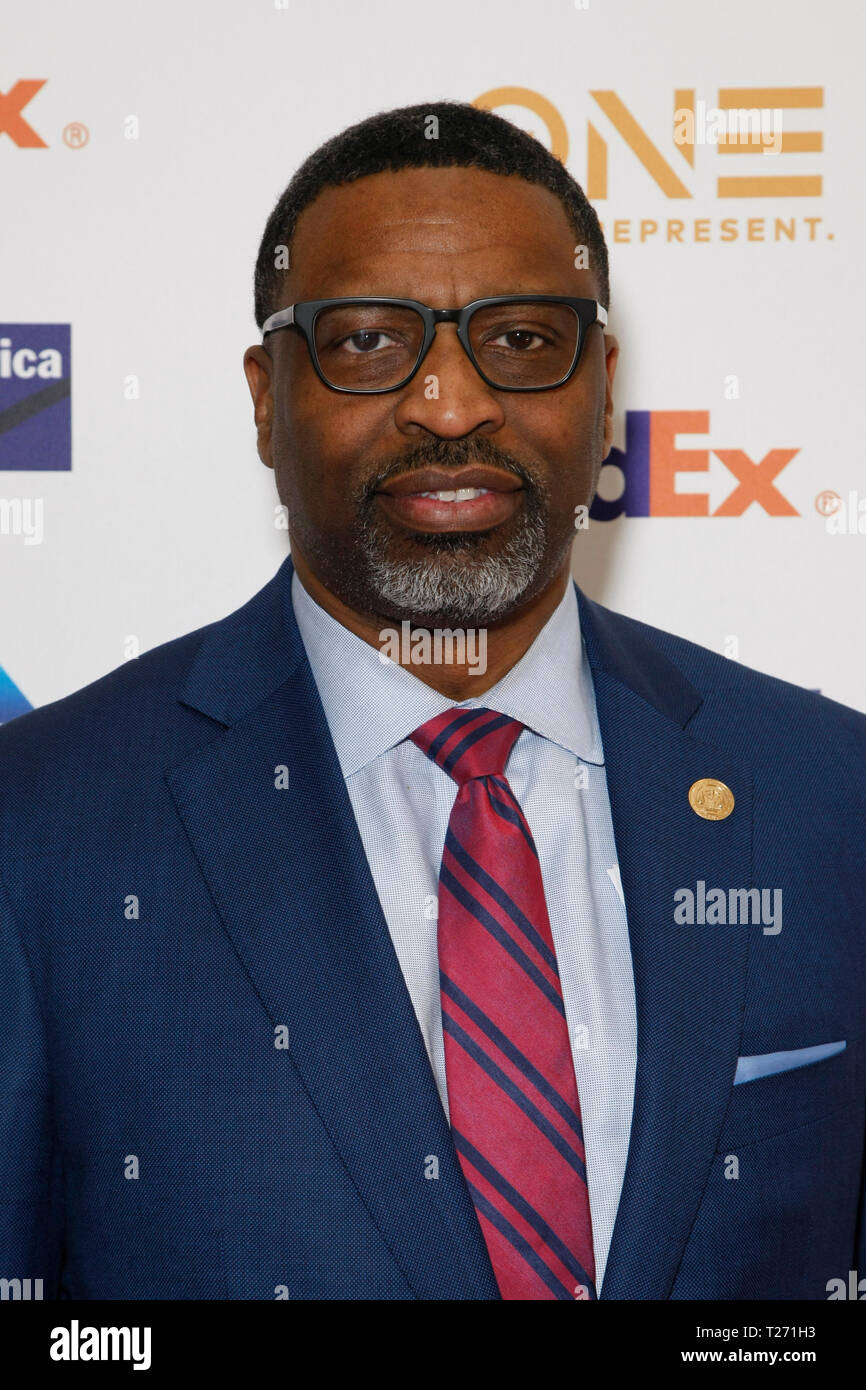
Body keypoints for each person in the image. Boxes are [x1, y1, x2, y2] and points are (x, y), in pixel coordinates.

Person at [1, 101, 863, 1302]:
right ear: (264, 395)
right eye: (365, 343)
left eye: (518, 339)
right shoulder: (37, 826)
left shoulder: (830, 795)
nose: (450, 406)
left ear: (603, 384)